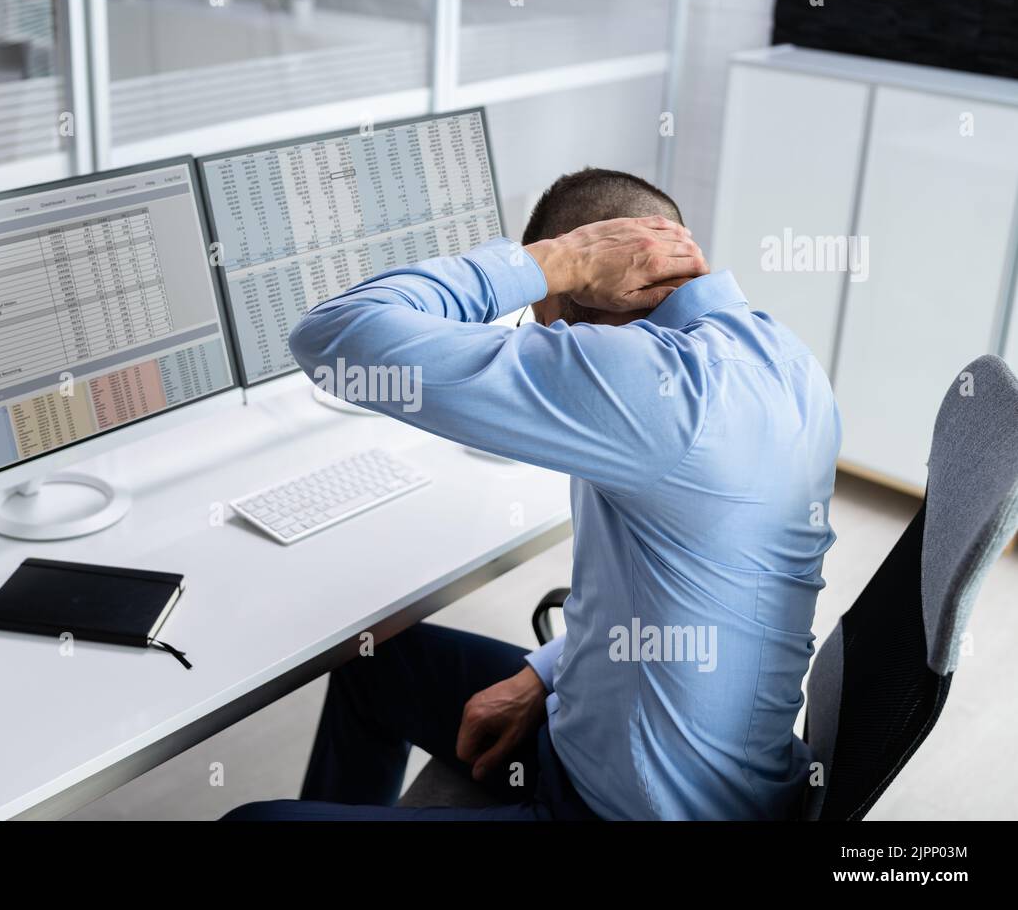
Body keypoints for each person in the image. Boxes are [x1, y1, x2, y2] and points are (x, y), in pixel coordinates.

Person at [225, 168, 841, 820]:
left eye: (546, 319)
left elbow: (335, 333)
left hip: (623, 815)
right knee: (376, 659)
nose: (546, 337)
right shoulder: (786, 360)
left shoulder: (648, 381)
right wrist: (546, 672)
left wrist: (550, 263)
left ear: (592, 288)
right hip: (701, 776)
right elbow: (711, 586)